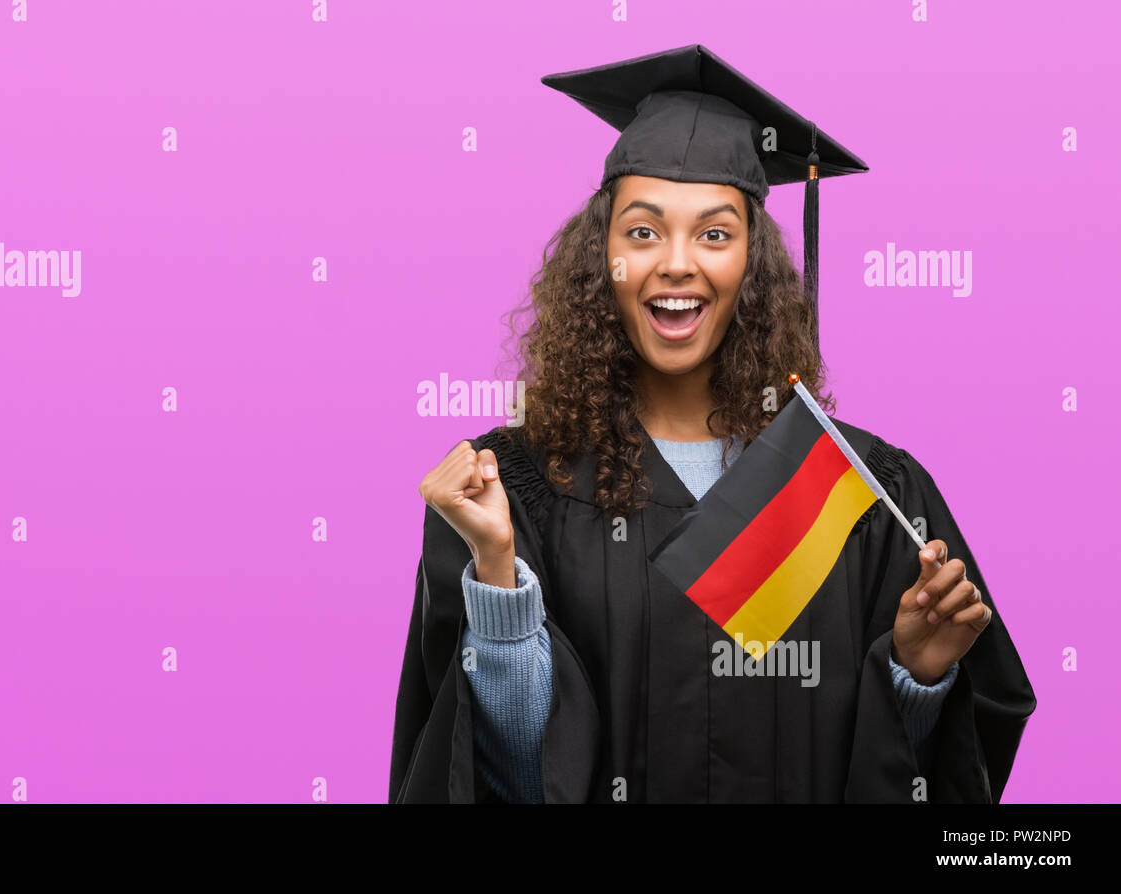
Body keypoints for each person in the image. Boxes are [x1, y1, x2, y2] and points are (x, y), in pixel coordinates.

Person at [389, 44, 1035, 803]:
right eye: (642, 231)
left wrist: (917, 678)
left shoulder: (859, 490)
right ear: (601, 263)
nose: (677, 263)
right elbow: (496, 773)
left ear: (753, 269)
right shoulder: (514, 489)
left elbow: (950, 765)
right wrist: (498, 578)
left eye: (716, 234)